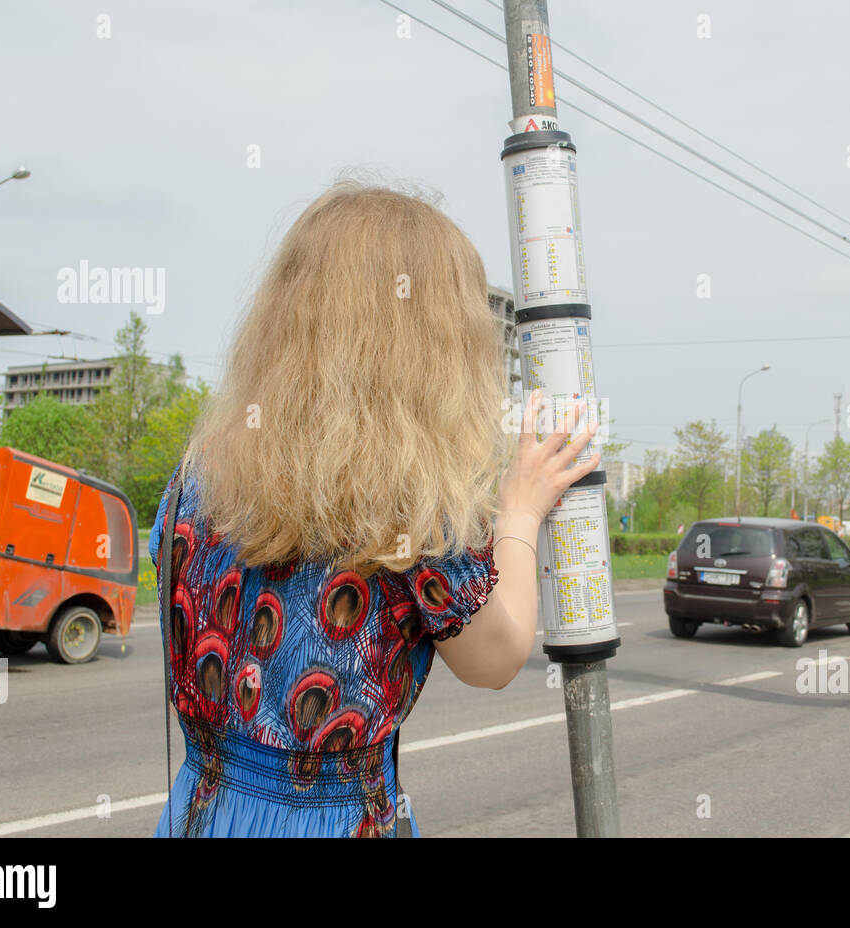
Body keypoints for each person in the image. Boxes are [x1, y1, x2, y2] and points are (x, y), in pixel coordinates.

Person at [150, 182, 599, 837]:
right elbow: (496, 658)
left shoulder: (200, 468)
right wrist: (521, 511)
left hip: (199, 813)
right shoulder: (407, 501)